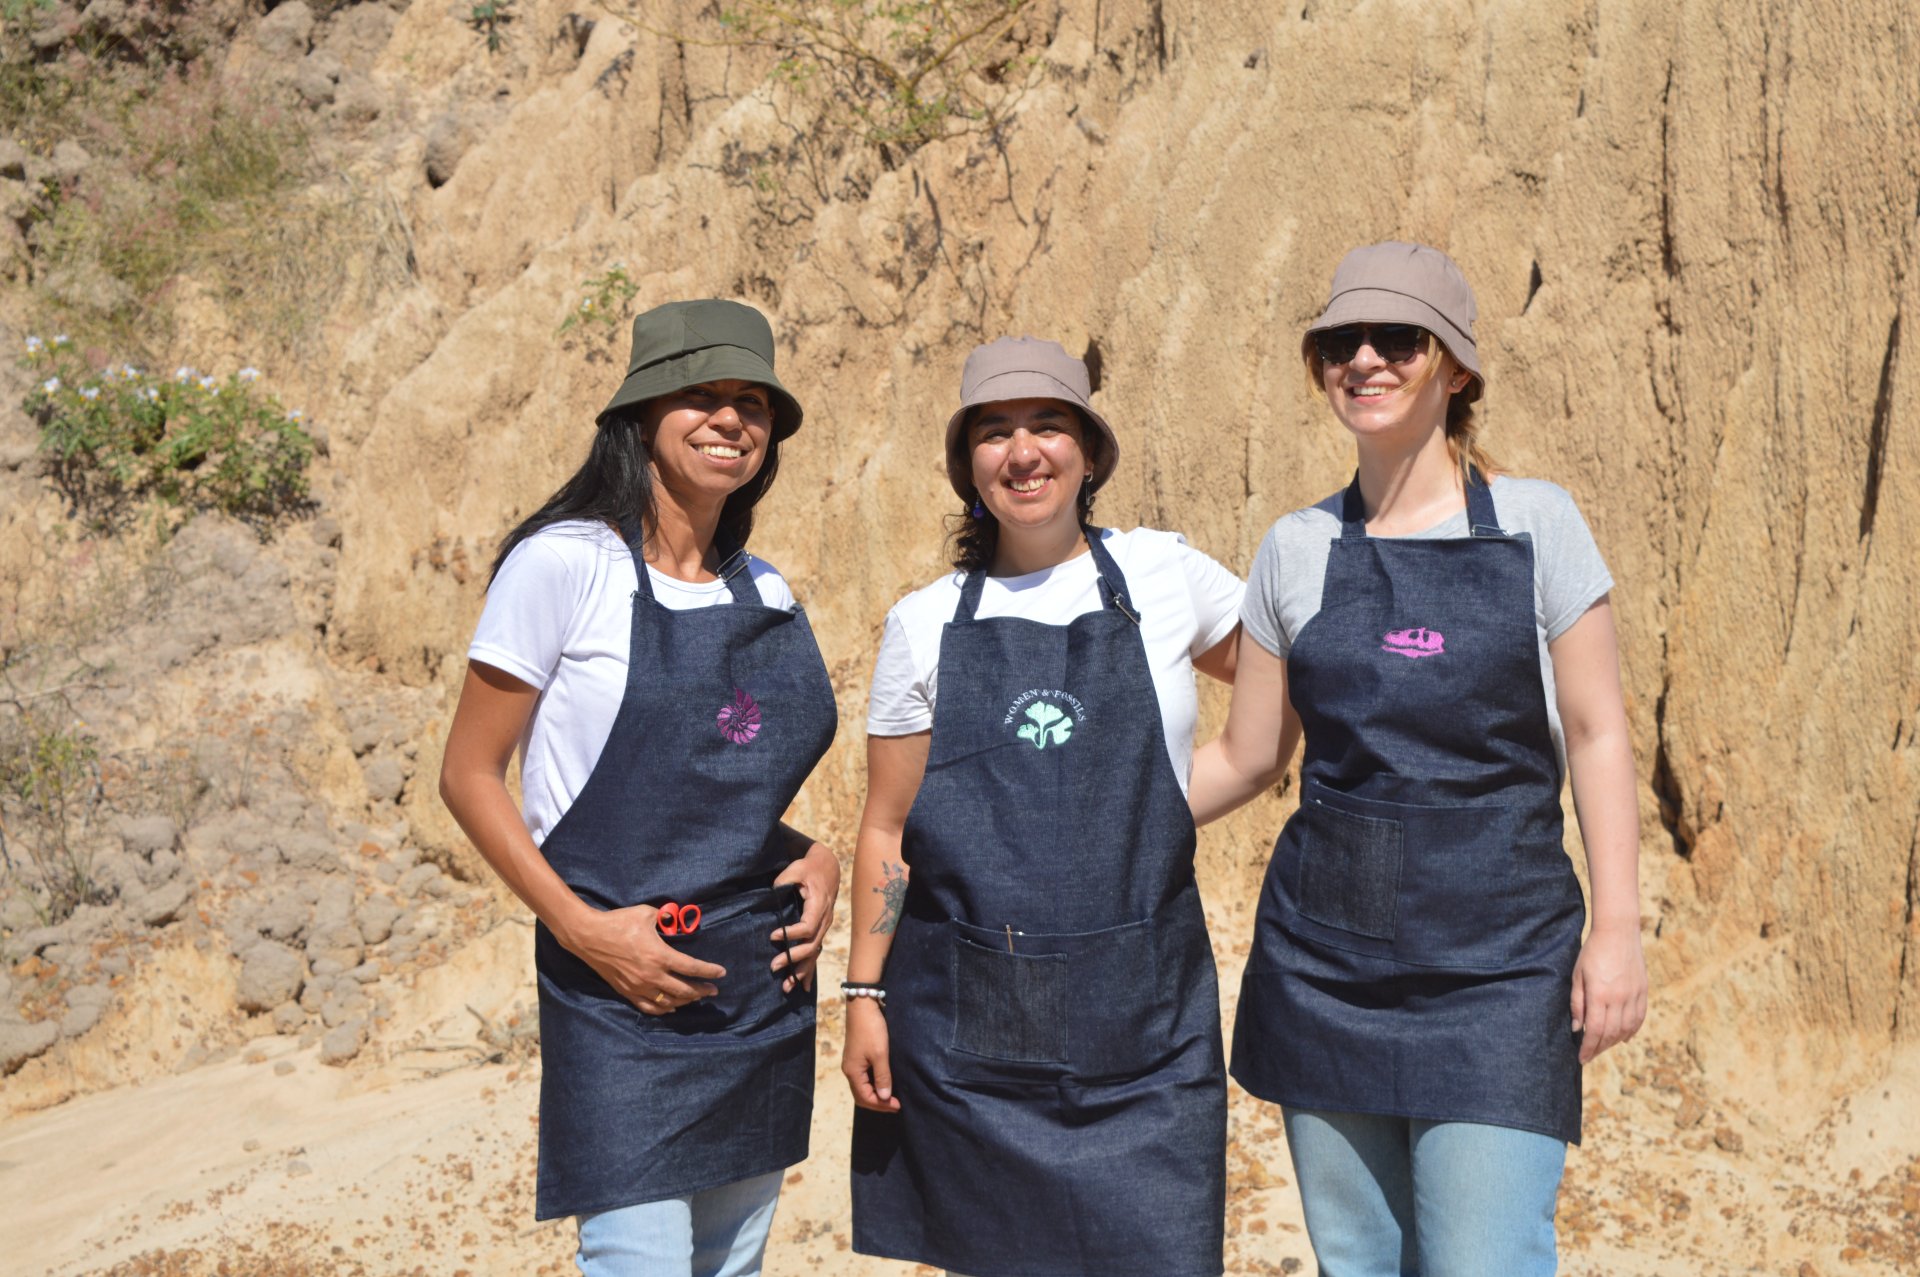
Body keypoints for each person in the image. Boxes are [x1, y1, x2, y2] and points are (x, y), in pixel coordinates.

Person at [1189, 242, 1649, 1274]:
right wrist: (1077, 831)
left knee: (1485, 1258)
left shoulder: (1540, 523)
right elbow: (1248, 755)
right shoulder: (1293, 548)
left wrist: (1615, 928)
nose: (1365, 358)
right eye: (1340, 342)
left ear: (1455, 367)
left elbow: (1597, 731)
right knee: (1360, 1263)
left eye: (1397, 338)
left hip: (1503, 968)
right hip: (1325, 966)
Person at [438, 299, 840, 1277]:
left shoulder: (768, 590)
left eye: (752, 401)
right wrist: (582, 929)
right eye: (701, 395)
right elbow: (467, 773)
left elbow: (720, 793)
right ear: (643, 413)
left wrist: (813, 852)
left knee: (729, 1268)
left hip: (759, 984)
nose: (731, 419)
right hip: (620, 990)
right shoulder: (563, 565)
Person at [842, 337, 1245, 1277]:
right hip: (978, 1045)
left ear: (1090, 452)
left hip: (1148, 1027)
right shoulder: (923, 623)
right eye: (994, 432)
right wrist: (862, 993)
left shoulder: (1164, 573)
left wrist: (1170, 807)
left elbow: (1288, 690)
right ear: (967, 466)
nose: (1023, 452)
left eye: (1048, 425)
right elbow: (887, 829)